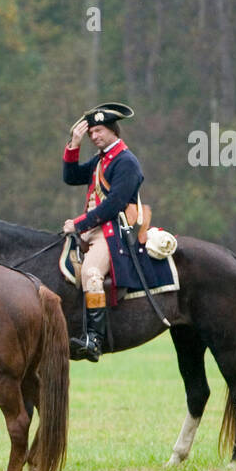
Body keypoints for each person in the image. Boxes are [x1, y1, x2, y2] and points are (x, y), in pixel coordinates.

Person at [60, 102, 143, 361]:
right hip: (92, 230)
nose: (94, 136)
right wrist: (74, 144)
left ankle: (94, 338)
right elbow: (71, 176)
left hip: (112, 231)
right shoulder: (102, 159)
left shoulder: (125, 161)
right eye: (91, 132)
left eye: (98, 131)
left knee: (91, 273)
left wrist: (80, 223)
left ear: (113, 131)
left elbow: (114, 204)